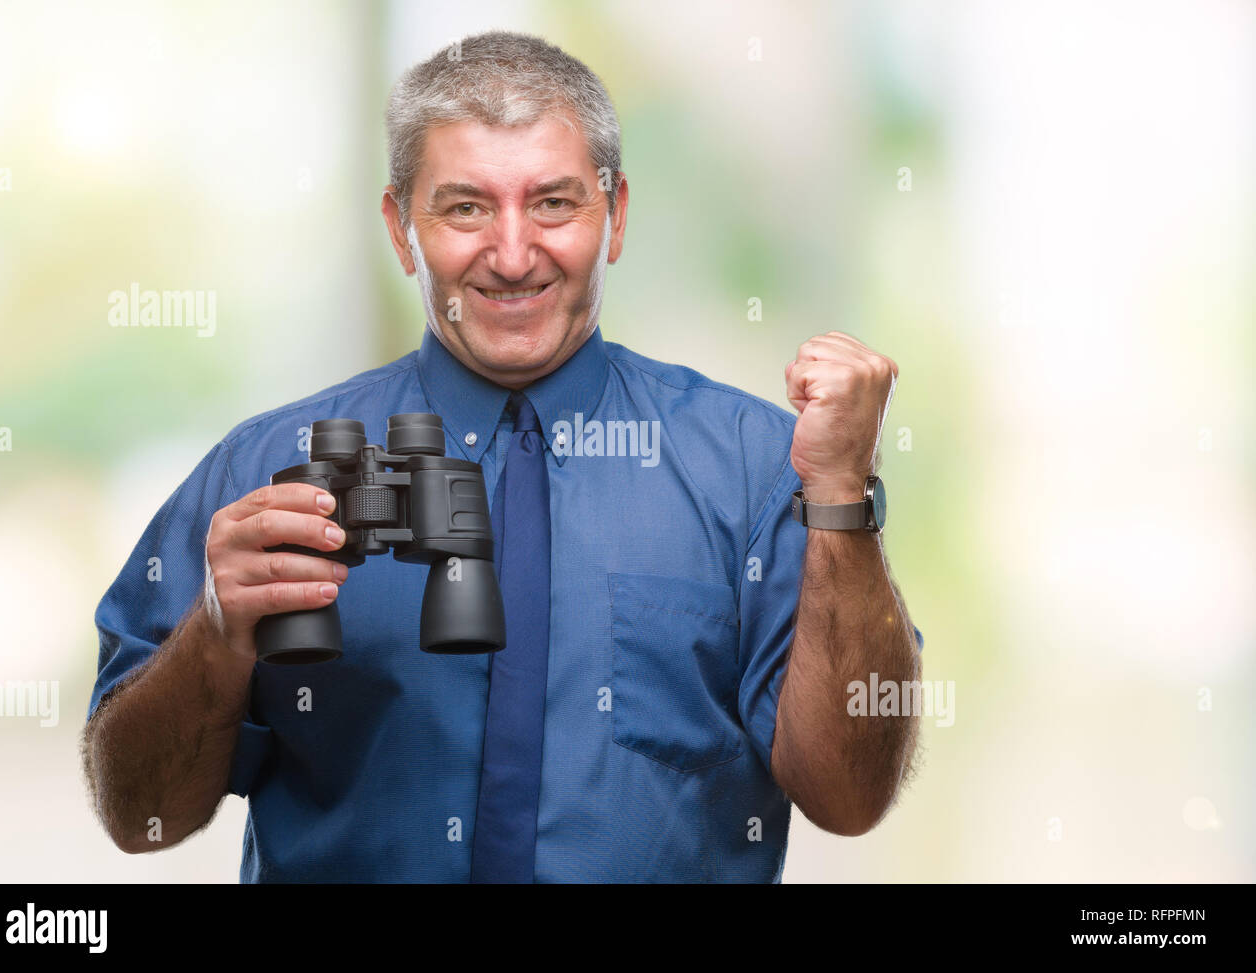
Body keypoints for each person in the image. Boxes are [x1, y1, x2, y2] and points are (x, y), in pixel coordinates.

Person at [82, 30, 923, 883]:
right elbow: (137, 815)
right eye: (466, 208)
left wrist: (842, 495)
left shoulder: (752, 468)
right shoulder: (266, 471)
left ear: (616, 214)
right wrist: (216, 637)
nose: (514, 255)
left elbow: (849, 799)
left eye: (554, 203)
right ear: (402, 228)